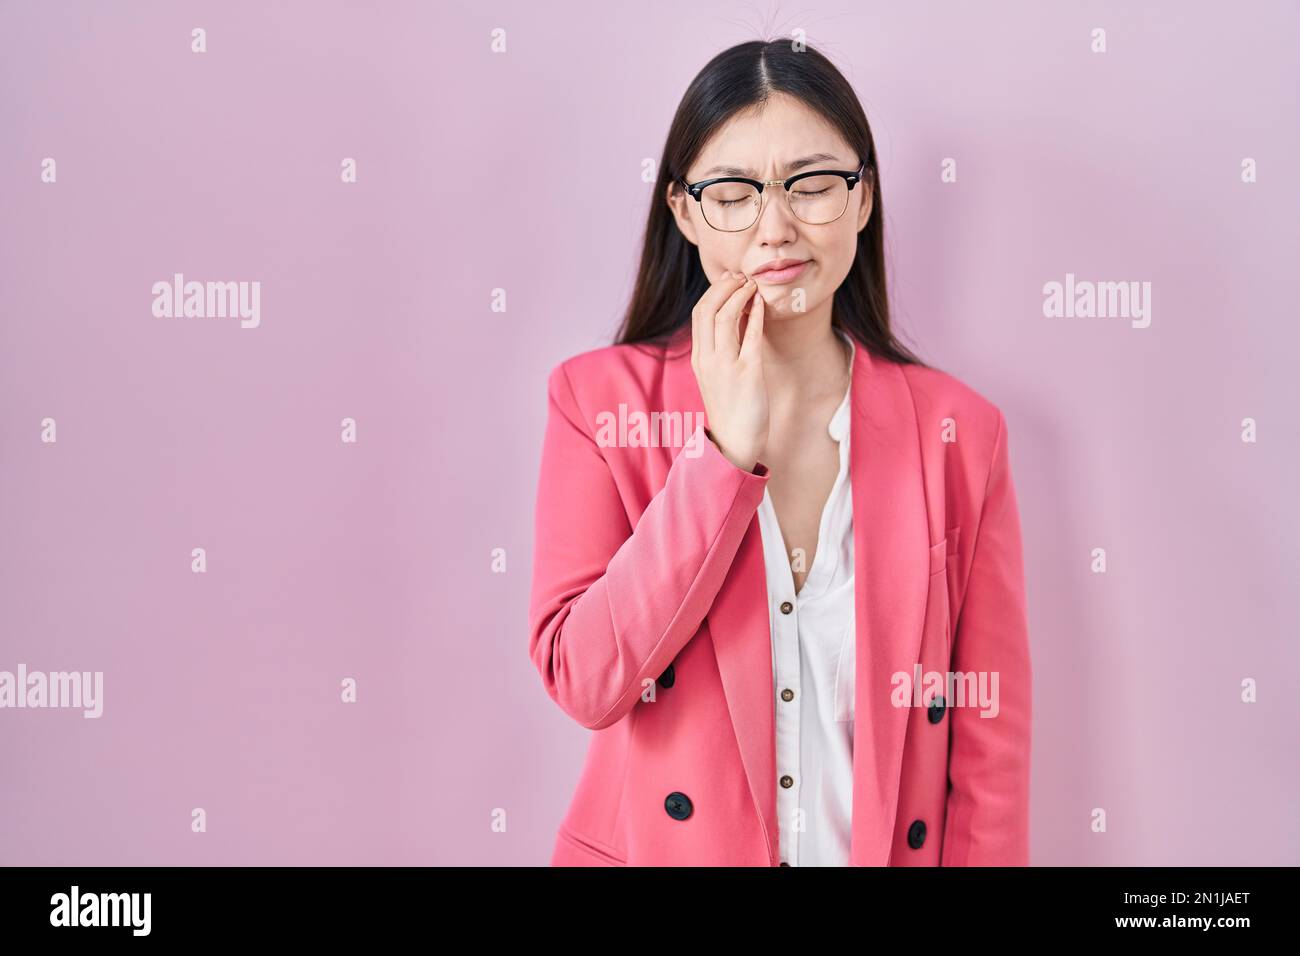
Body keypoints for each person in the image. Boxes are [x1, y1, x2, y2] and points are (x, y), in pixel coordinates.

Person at [528, 38, 1031, 866]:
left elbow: (991, 751)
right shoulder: (599, 403)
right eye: (733, 192)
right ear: (685, 213)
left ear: (863, 198)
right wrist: (721, 454)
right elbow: (589, 681)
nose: (776, 226)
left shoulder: (960, 434)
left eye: (813, 184)